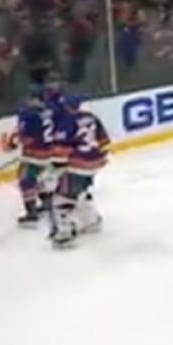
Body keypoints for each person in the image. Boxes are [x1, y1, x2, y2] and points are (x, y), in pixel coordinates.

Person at [50, 95, 110, 248]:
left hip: (78, 163)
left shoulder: (66, 121)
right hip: (96, 161)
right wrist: (99, 157)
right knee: (82, 190)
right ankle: (92, 220)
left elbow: (60, 150)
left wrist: (56, 166)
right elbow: (104, 141)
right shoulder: (91, 117)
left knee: (62, 198)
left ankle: (65, 232)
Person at [14, 85, 53, 226]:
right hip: (49, 152)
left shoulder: (28, 114)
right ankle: (47, 204)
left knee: (25, 179)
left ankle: (31, 213)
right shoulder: (49, 110)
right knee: (39, 177)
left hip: (34, 154)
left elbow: (26, 138)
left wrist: (17, 140)